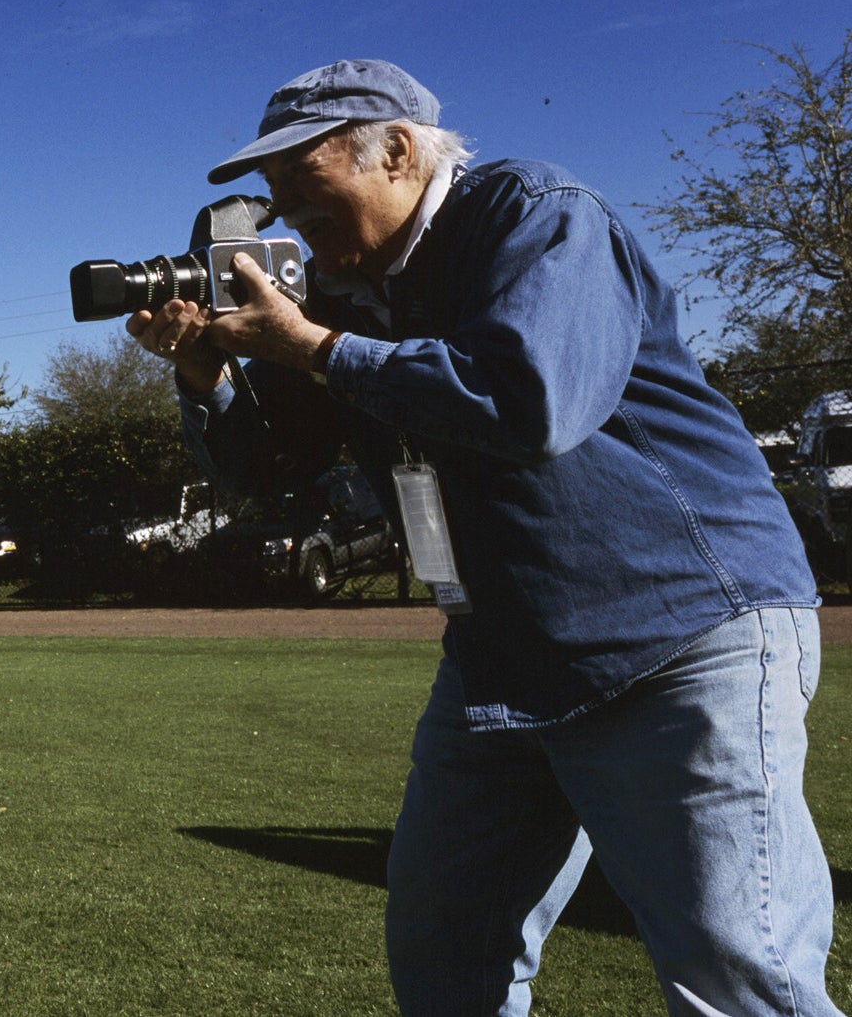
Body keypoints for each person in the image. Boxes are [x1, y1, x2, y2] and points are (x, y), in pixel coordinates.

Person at [131, 59, 837, 1015]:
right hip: (502, 654)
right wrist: (205, 374)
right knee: (447, 959)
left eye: (305, 176)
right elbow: (271, 470)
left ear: (396, 150)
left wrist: (312, 346)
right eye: (274, 189)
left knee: (735, 978)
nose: (286, 211)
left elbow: (527, 400)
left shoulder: (535, 214)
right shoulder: (339, 296)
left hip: (676, 632)